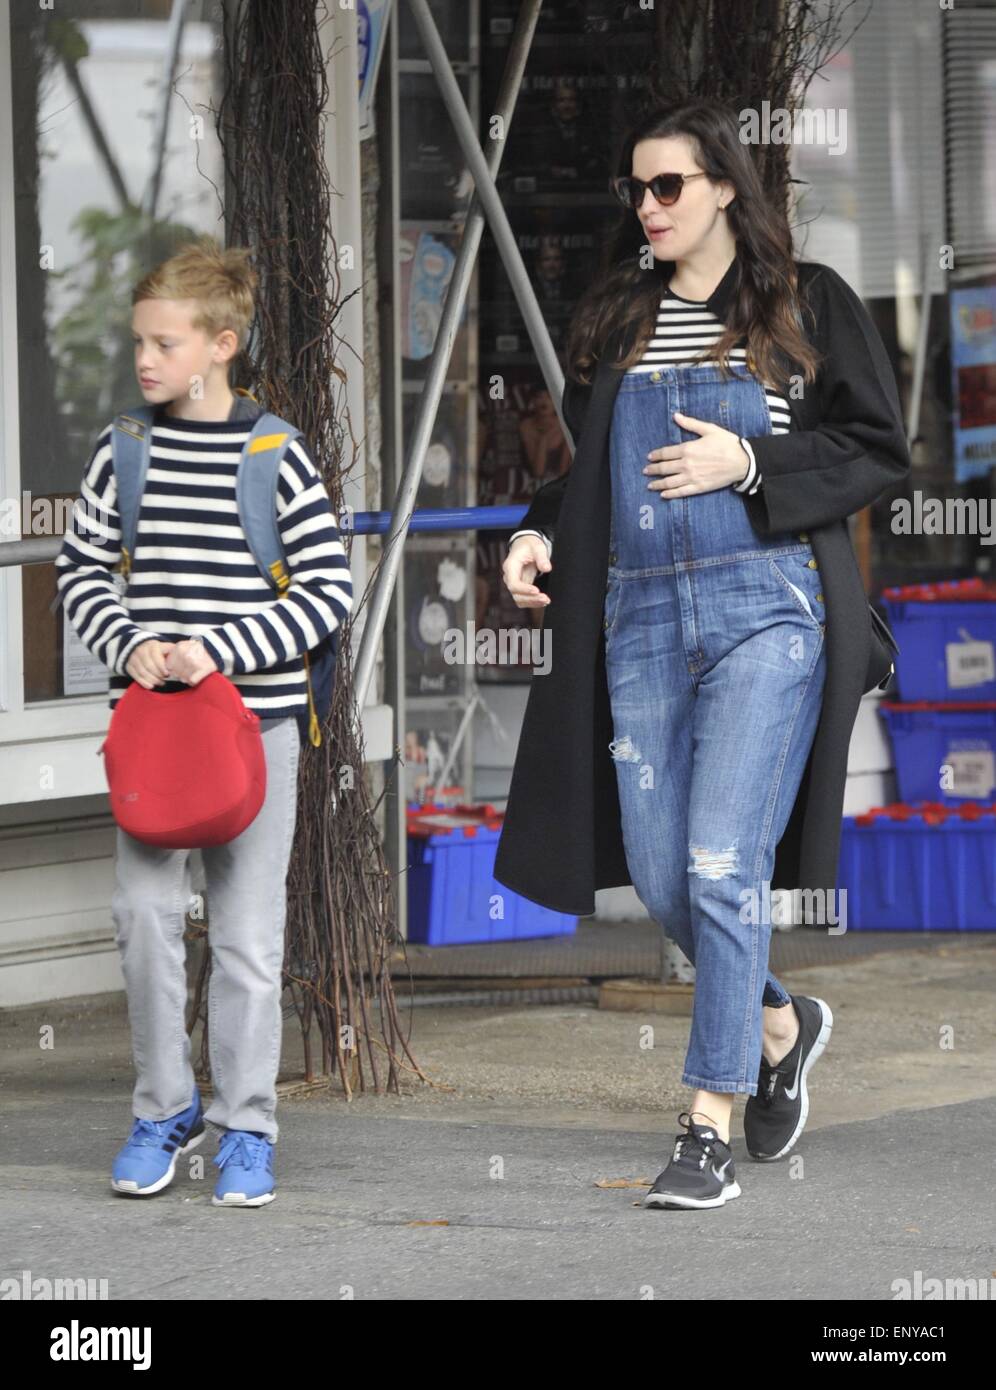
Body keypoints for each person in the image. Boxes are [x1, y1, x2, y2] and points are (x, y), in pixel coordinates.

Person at [499, 100, 911, 1211]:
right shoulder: (625, 318)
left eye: (669, 186)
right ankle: (782, 1020)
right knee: (664, 870)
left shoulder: (804, 303)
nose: (649, 207)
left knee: (725, 862)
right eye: (636, 191)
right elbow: (590, 472)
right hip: (638, 615)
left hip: (764, 611)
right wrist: (538, 530)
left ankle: (706, 1126)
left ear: (726, 186)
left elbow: (878, 448)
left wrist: (751, 460)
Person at [54, 238, 353, 1207]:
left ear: (221, 345)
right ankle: (163, 1106)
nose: (145, 360)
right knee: (142, 913)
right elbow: (81, 574)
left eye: (164, 342)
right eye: (139, 341)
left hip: (254, 737)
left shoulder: (275, 454)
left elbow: (328, 593)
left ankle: (248, 1123)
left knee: (246, 937)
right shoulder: (123, 453)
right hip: (153, 739)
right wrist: (126, 639)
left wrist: (221, 644)